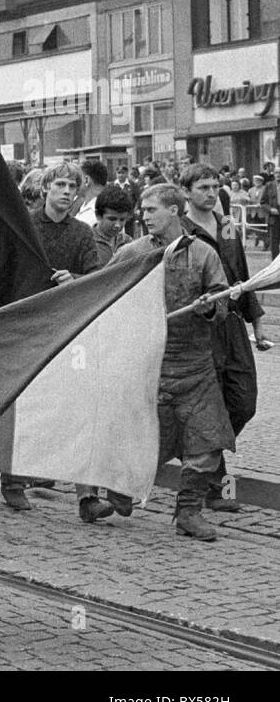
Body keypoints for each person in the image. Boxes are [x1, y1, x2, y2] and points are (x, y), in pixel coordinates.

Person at [112, 185, 234, 541]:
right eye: (143, 210)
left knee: (207, 445)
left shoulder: (203, 254)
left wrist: (210, 304)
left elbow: (222, 305)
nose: (144, 216)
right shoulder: (130, 253)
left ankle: (188, 512)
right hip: (150, 367)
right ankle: (119, 488)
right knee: (145, 442)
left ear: (174, 211)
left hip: (196, 369)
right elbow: (103, 298)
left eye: (151, 209)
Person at [9, 163, 101, 515]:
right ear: (45, 188)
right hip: (29, 326)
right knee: (26, 405)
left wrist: (74, 278)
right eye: (59, 184)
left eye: (71, 186)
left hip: (69, 328)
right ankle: (13, 482)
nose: (65, 191)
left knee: (79, 407)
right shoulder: (25, 225)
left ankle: (86, 497)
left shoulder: (81, 233)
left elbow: (95, 280)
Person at [178, 163, 267, 509]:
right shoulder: (180, 231)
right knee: (210, 408)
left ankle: (204, 455)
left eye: (215, 186)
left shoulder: (228, 226)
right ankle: (219, 488)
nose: (211, 193)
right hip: (201, 330)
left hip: (233, 326)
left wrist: (256, 321)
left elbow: (243, 277)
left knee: (244, 402)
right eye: (203, 187)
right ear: (186, 192)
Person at [91, 185, 134, 267]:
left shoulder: (128, 242)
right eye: (112, 219)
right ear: (98, 215)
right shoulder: (86, 242)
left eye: (122, 220)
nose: (118, 225)